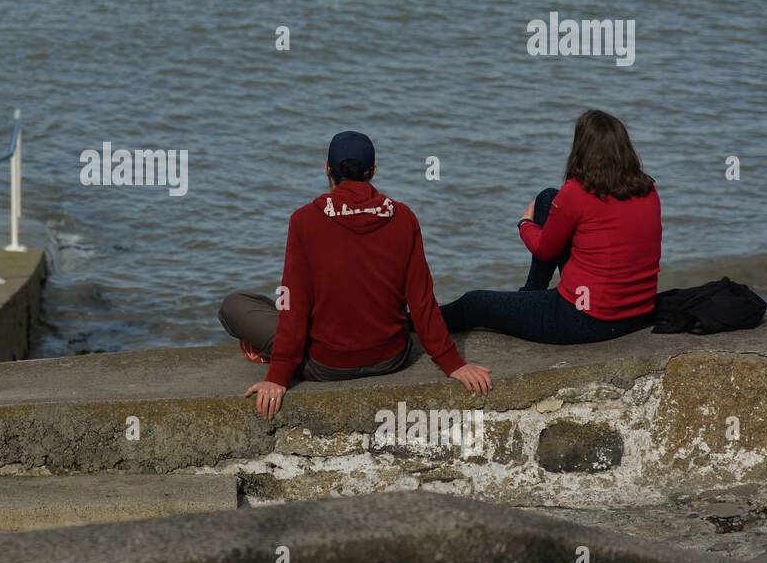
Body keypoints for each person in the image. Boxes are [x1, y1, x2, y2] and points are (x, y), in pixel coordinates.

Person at [219, 131, 493, 419]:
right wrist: (453, 364)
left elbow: (294, 304)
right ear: (372, 171)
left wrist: (278, 376)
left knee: (235, 305)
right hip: (391, 359)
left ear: (327, 169)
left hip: (326, 366)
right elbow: (422, 300)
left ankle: (265, 352)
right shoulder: (403, 217)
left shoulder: (305, 220)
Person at [440, 110, 661, 344]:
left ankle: (413, 323)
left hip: (587, 317)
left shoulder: (577, 191)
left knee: (474, 304)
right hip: (637, 313)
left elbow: (544, 250)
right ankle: (532, 293)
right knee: (548, 197)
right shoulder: (648, 188)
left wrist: (524, 223)